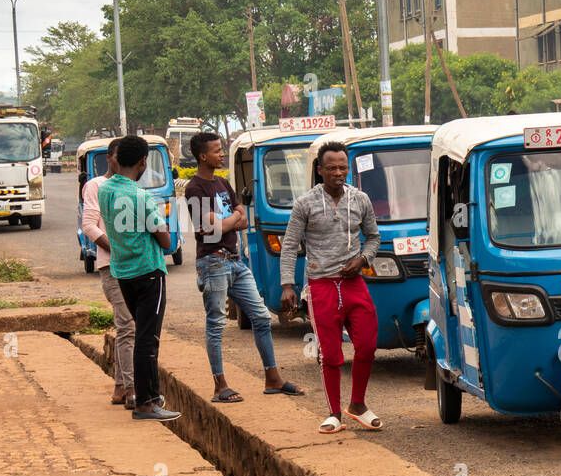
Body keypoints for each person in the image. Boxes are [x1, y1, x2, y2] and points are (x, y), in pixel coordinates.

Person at [184, 131, 304, 403]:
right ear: (203, 156)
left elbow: (241, 219)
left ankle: (273, 378)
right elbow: (210, 228)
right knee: (215, 324)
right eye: (217, 150)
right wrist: (232, 219)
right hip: (212, 262)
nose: (222, 154)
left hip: (234, 261)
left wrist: (228, 220)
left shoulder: (222, 182)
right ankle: (220, 385)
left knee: (261, 318)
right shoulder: (194, 188)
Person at [279, 141, 382, 433]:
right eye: (332, 168)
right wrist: (287, 285)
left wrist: (363, 259)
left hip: (354, 283)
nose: (338, 172)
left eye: (343, 167)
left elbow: (374, 238)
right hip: (321, 285)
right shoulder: (305, 203)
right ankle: (334, 413)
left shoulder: (361, 199)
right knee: (331, 353)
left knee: (367, 346)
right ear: (320, 170)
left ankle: (358, 405)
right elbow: (289, 246)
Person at [101, 135, 180, 422]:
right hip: (149, 272)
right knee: (149, 339)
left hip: (123, 272)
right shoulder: (140, 195)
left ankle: (150, 397)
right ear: (143, 161)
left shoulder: (105, 189)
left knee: (142, 336)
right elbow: (166, 240)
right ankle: (147, 403)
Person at [80, 139, 137, 408]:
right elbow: (89, 226)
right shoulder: (95, 186)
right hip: (112, 266)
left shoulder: (132, 187)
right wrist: (118, 250)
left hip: (135, 267)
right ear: (110, 158)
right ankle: (130, 387)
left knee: (129, 325)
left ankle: (119, 387)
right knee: (128, 326)